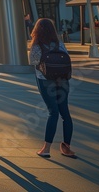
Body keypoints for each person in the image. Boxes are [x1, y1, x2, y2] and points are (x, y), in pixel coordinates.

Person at [29, 18, 75, 158]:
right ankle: (66, 147)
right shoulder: (59, 44)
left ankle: (46, 148)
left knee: (53, 112)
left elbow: (33, 61)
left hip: (45, 80)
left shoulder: (37, 45)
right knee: (65, 113)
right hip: (63, 80)